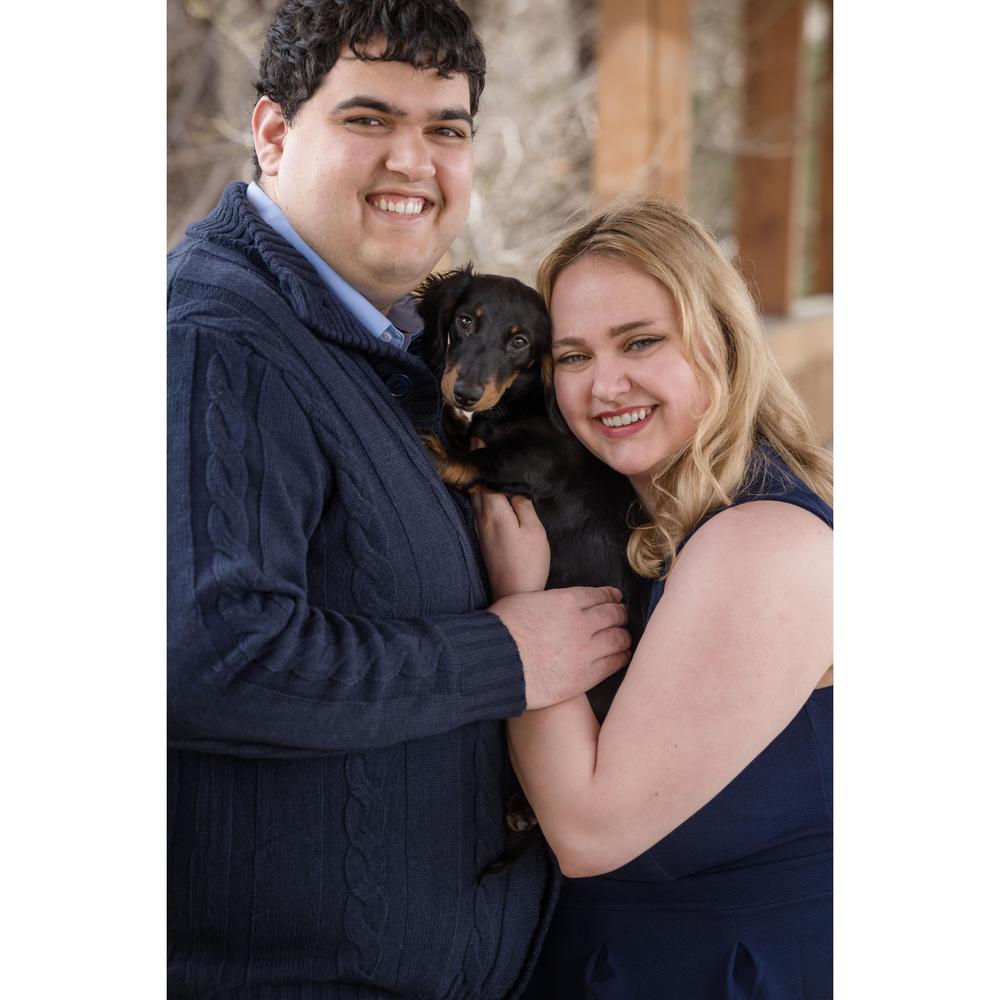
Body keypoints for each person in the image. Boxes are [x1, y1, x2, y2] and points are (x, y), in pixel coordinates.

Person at [166, 2, 629, 997]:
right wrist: (506, 657)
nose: (413, 162)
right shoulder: (217, 344)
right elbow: (211, 661)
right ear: (273, 134)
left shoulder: (392, 343)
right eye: (368, 119)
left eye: (445, 130)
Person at [471, 198, 834, 999]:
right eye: (573, 355)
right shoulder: (652, 523)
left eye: (641, 342)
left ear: (721, 341)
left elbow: (588, 830)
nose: (605, 385)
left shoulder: (763, 542)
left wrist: (520, 609)